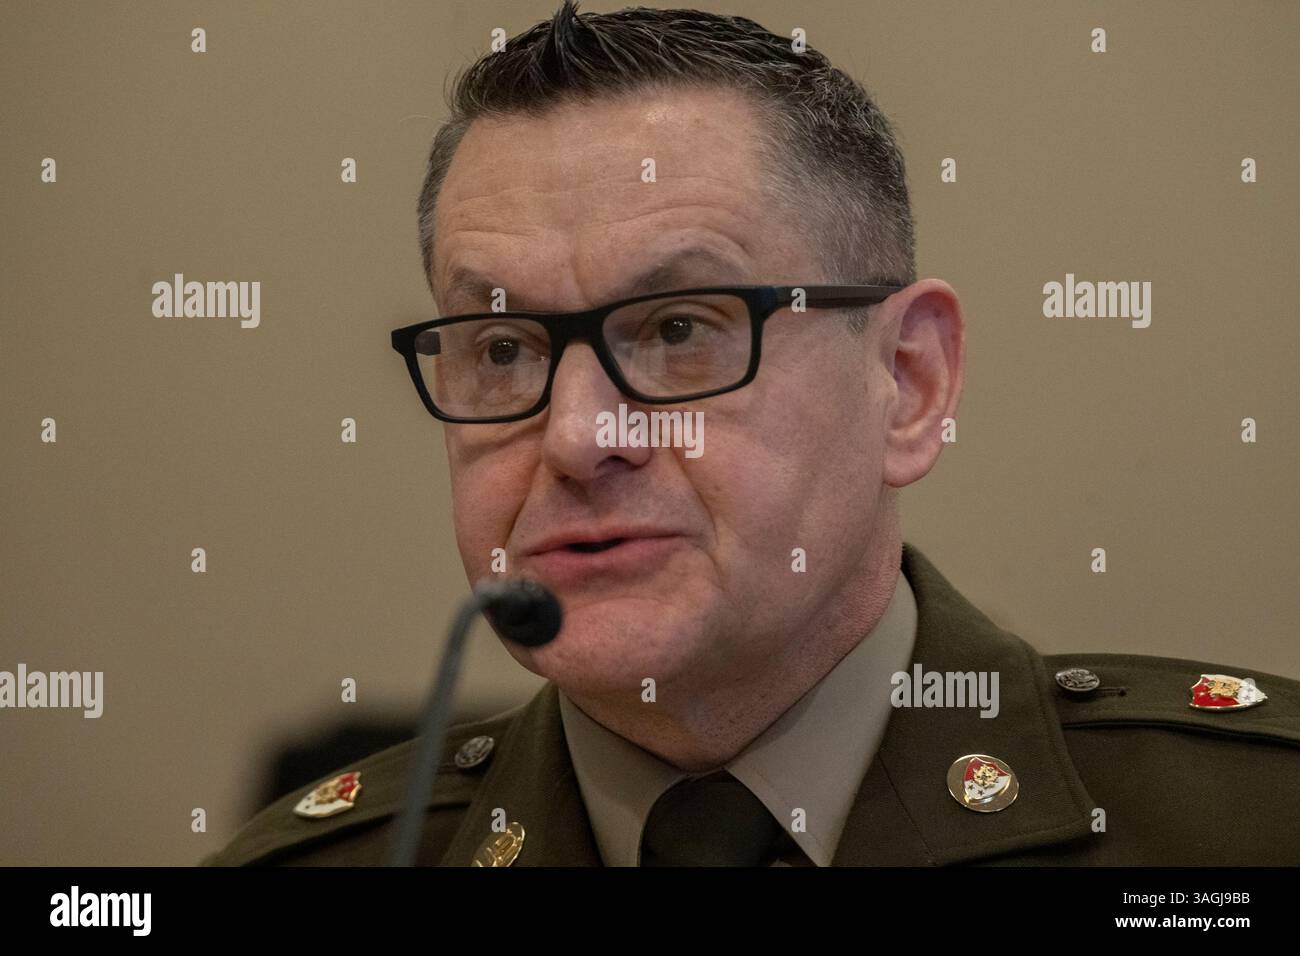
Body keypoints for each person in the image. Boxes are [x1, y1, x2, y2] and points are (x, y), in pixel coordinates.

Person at [203, 1, 1299, 867]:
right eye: (502, 349)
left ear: (908, 383)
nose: (579, 437)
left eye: (680, 328)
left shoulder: (1244, 824)